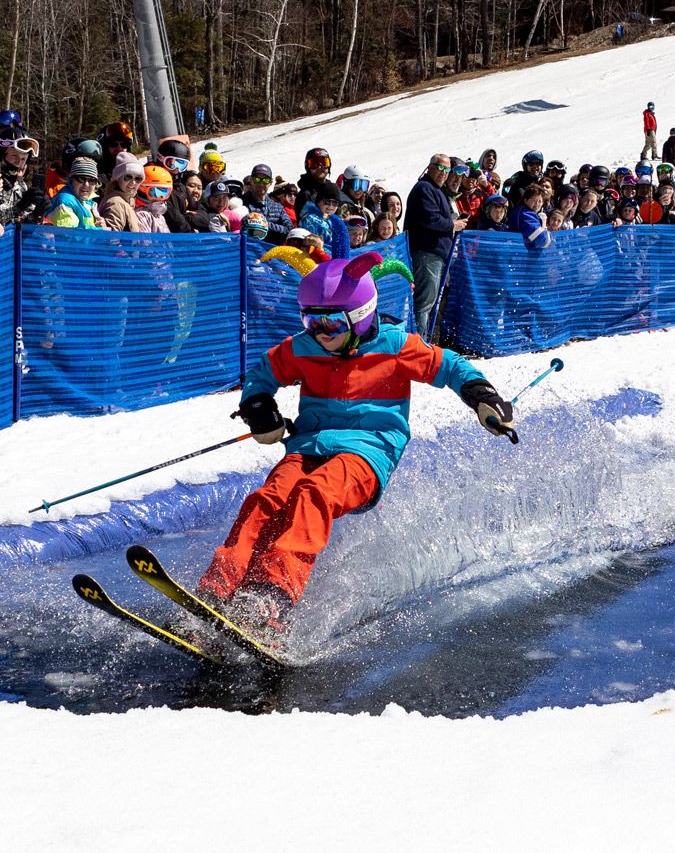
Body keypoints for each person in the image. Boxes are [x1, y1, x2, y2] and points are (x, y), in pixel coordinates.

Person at [194, 249, 515, 646]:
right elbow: (263, 372)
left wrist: (482, 395)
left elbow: (449, 365)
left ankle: (271, 600)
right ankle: (219, 589)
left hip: (367, 451)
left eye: (331, 322)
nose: (321, 332)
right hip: (309, 443)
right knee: (268, 499)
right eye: (312, 321)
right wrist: (259, 407)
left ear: (361, 316)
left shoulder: (396, 346)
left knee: (314, 494)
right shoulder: (305, 346)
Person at [404, 154, 467, 337]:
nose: (443, 173)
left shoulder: (437, 190)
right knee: (424, 303)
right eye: (440, 168)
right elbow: (429, 219)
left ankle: (427, 341)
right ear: (430, 167)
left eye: (447, 169)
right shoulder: (424, 188)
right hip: (427, 253)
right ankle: (420, 344)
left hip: (437, 254)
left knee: (431, 303)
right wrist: (452, 225)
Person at [43, 156, 107, 230]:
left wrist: (100, 225)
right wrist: (100, 231)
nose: (86, 184)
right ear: (71, 180)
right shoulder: (64, 201)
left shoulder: (87, 202)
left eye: (92, 180)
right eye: (81, 179)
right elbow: (67, 236)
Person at [241, 163, 293, 245]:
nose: (261, 184)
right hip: (248, 252)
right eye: (257, 179)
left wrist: (266, 224)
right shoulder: (240, 203)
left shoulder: (277, 206)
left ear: (271, 182)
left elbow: (289, 229)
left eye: (265, 180)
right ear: (251, 180)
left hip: (273, 253)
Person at [98, 151, 143, 232]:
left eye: (138, 179)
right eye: (128, 177)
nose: (133, 183)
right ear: (118, 179)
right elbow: (113, 240)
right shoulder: (116, 203)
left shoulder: (128, 200)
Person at [298, 183, 342, 248]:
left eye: (335, 203)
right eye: (327, 202)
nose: (331, 206)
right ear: (318, 201)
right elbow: (314, 247)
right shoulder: (311, 220)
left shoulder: (330, 218)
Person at [508, 186, 551, 250]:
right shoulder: (525, 214)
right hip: (518, 253)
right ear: (525, 200)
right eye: (534, 200)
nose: (537, 204)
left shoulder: (525, 212)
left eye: (540, 201)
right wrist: (550, 236)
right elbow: (542, 239)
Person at [133, 165, 173, 233]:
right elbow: (144, 242)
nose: (161, 197)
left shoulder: (159, 215)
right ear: (142, 188)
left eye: (165, 192)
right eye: (156, 192)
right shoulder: (141, 214)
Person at [296, 147, 331, 213]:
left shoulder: (332, 189)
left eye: (324, 163)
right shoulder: (305, 195)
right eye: (314, 163)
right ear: (308, 167)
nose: (320, 167)